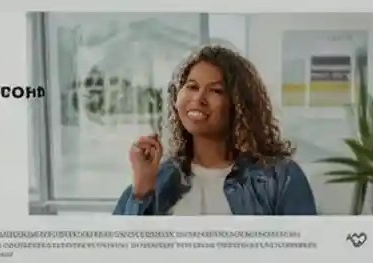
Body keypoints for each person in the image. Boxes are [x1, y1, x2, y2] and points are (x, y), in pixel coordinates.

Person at [114, 45, 318, 216]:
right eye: (192, 87)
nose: (198, 98)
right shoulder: (159, 178)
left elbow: (305, 257)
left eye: (216, 91)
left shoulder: (280, 177)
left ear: (239, 105)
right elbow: (121, 256)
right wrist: (142, 192)